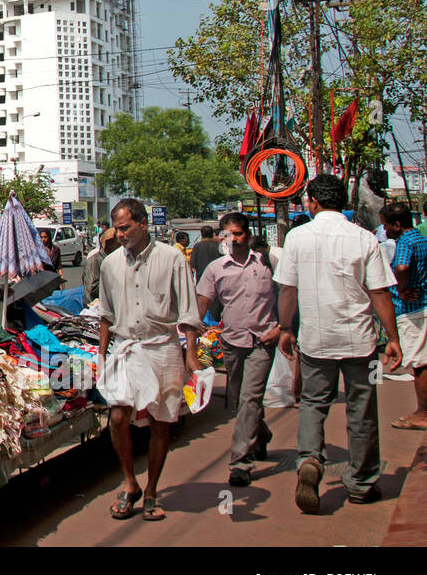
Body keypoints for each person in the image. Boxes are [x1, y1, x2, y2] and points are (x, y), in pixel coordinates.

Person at [277, 174, 402, 512]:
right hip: (359, 341)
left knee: (313, 404)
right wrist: (393, 338)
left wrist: (285, 327)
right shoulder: (364, 239)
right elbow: (379, 292)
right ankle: (361, 483)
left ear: (312, 203)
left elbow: (287, 289)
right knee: (361, 410)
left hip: (315, 338)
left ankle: (309, 461)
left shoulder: (297, 238)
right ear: (343, 202)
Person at [97, 198, 202, 522]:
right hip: (127, 348)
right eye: (117, 227)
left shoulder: (172, 259)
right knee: (117, 417)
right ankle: (130, 483)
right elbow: (105, 314)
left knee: (161, 422)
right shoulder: (109, 264)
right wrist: (101, 356)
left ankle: (152, 490)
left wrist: (191, 356)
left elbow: (188, 312)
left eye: (126, 227)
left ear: (143, 224)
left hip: (164, 348)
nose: (120, 233)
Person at [195, 212, 278, 487]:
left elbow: (288, 295)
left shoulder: (268, 263)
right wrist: (191, 338)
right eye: (228, 234)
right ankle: (261, 433)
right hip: (232, 342)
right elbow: (202, 302)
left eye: (238, 234)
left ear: (248, 235)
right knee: (240, 399)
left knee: (250, 398)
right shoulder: (215, 269)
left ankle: (240, 462)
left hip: (263, 341)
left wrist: (283, 329)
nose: (233, 239)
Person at [383, 201, 427, 431]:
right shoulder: (420, 237)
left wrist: (400, 289)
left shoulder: (405, 242)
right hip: (422, 304)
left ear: (397, 225)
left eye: (387, 226)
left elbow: (401, 267)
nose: (385, 231)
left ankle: (423, 412)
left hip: (413, 310)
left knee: (419, 364)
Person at [83, 227, 118, 302]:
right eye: (118, 244)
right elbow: (92, 288)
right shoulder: (95, 260)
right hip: (95, 307)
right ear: (109, 243)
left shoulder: (113, 259)